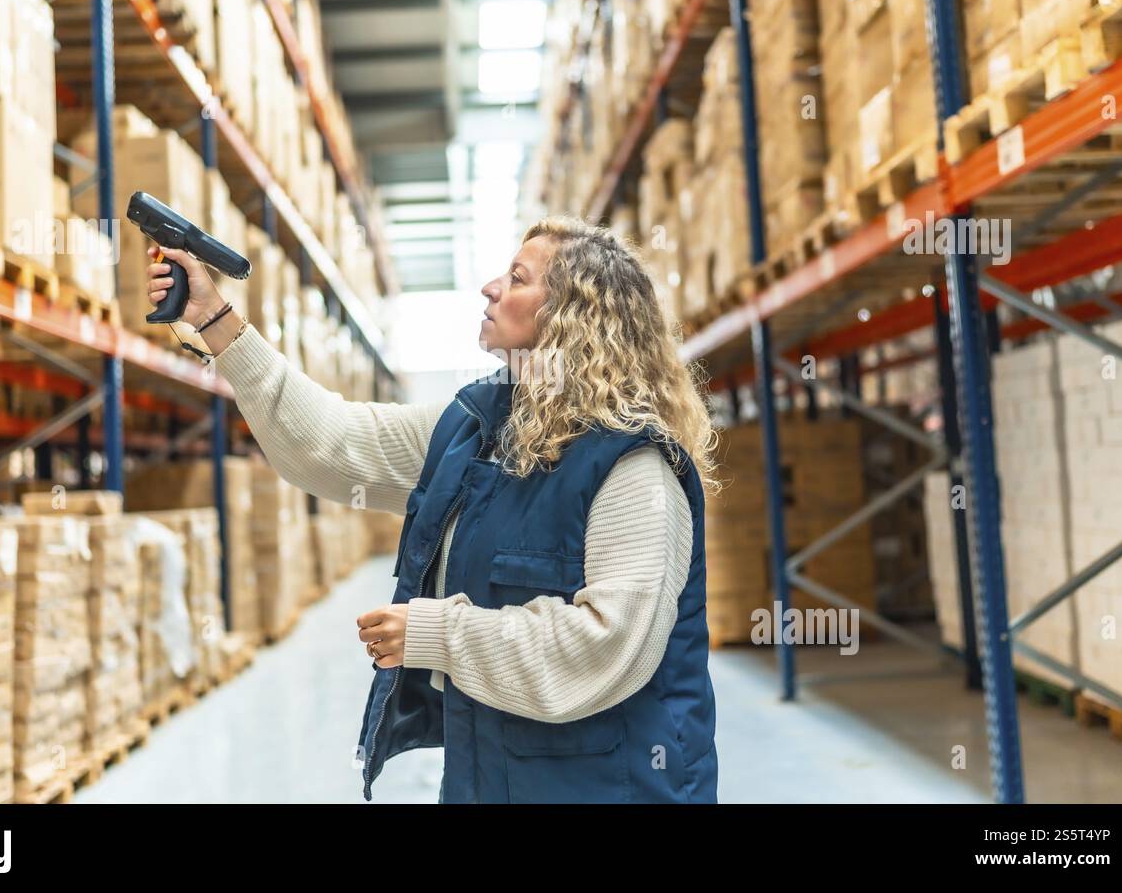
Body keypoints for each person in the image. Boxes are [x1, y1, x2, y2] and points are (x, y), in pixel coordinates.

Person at [145, 215, 720, 803]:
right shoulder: (476, 433)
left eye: (518, 278)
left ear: (574, 316)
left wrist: (438, 634)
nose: (491, 288)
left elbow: (607, 645)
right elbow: (333, 442)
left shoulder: (634, 465)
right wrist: (217, 321)